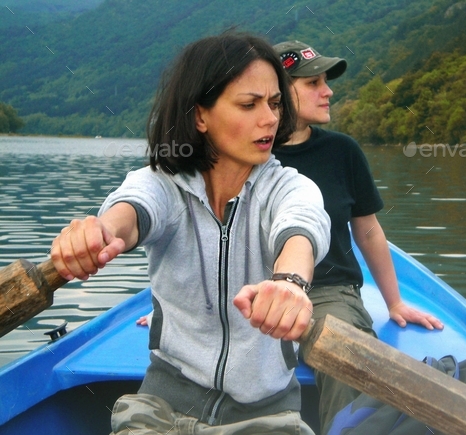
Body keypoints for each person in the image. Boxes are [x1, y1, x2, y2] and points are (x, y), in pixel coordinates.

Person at [50, 32, 331, 435]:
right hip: (162, 406)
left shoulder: (289, 187)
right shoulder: (164, 183)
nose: (269, 119)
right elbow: (131, 210)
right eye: (249, 105)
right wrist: (98, 232)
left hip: (265, 413)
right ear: (200, 116)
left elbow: (301, 229)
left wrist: (289, 283)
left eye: (273, 103)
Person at [271, 40, 445, 434]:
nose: (328, 91)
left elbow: (366, 229)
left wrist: (395, 302)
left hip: (328, 291)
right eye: (313, 82)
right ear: (278, 94)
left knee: (345, 353)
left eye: (325, 81)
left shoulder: (342, 152)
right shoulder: (245, 155)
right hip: (252, 287)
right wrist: (192, 302)